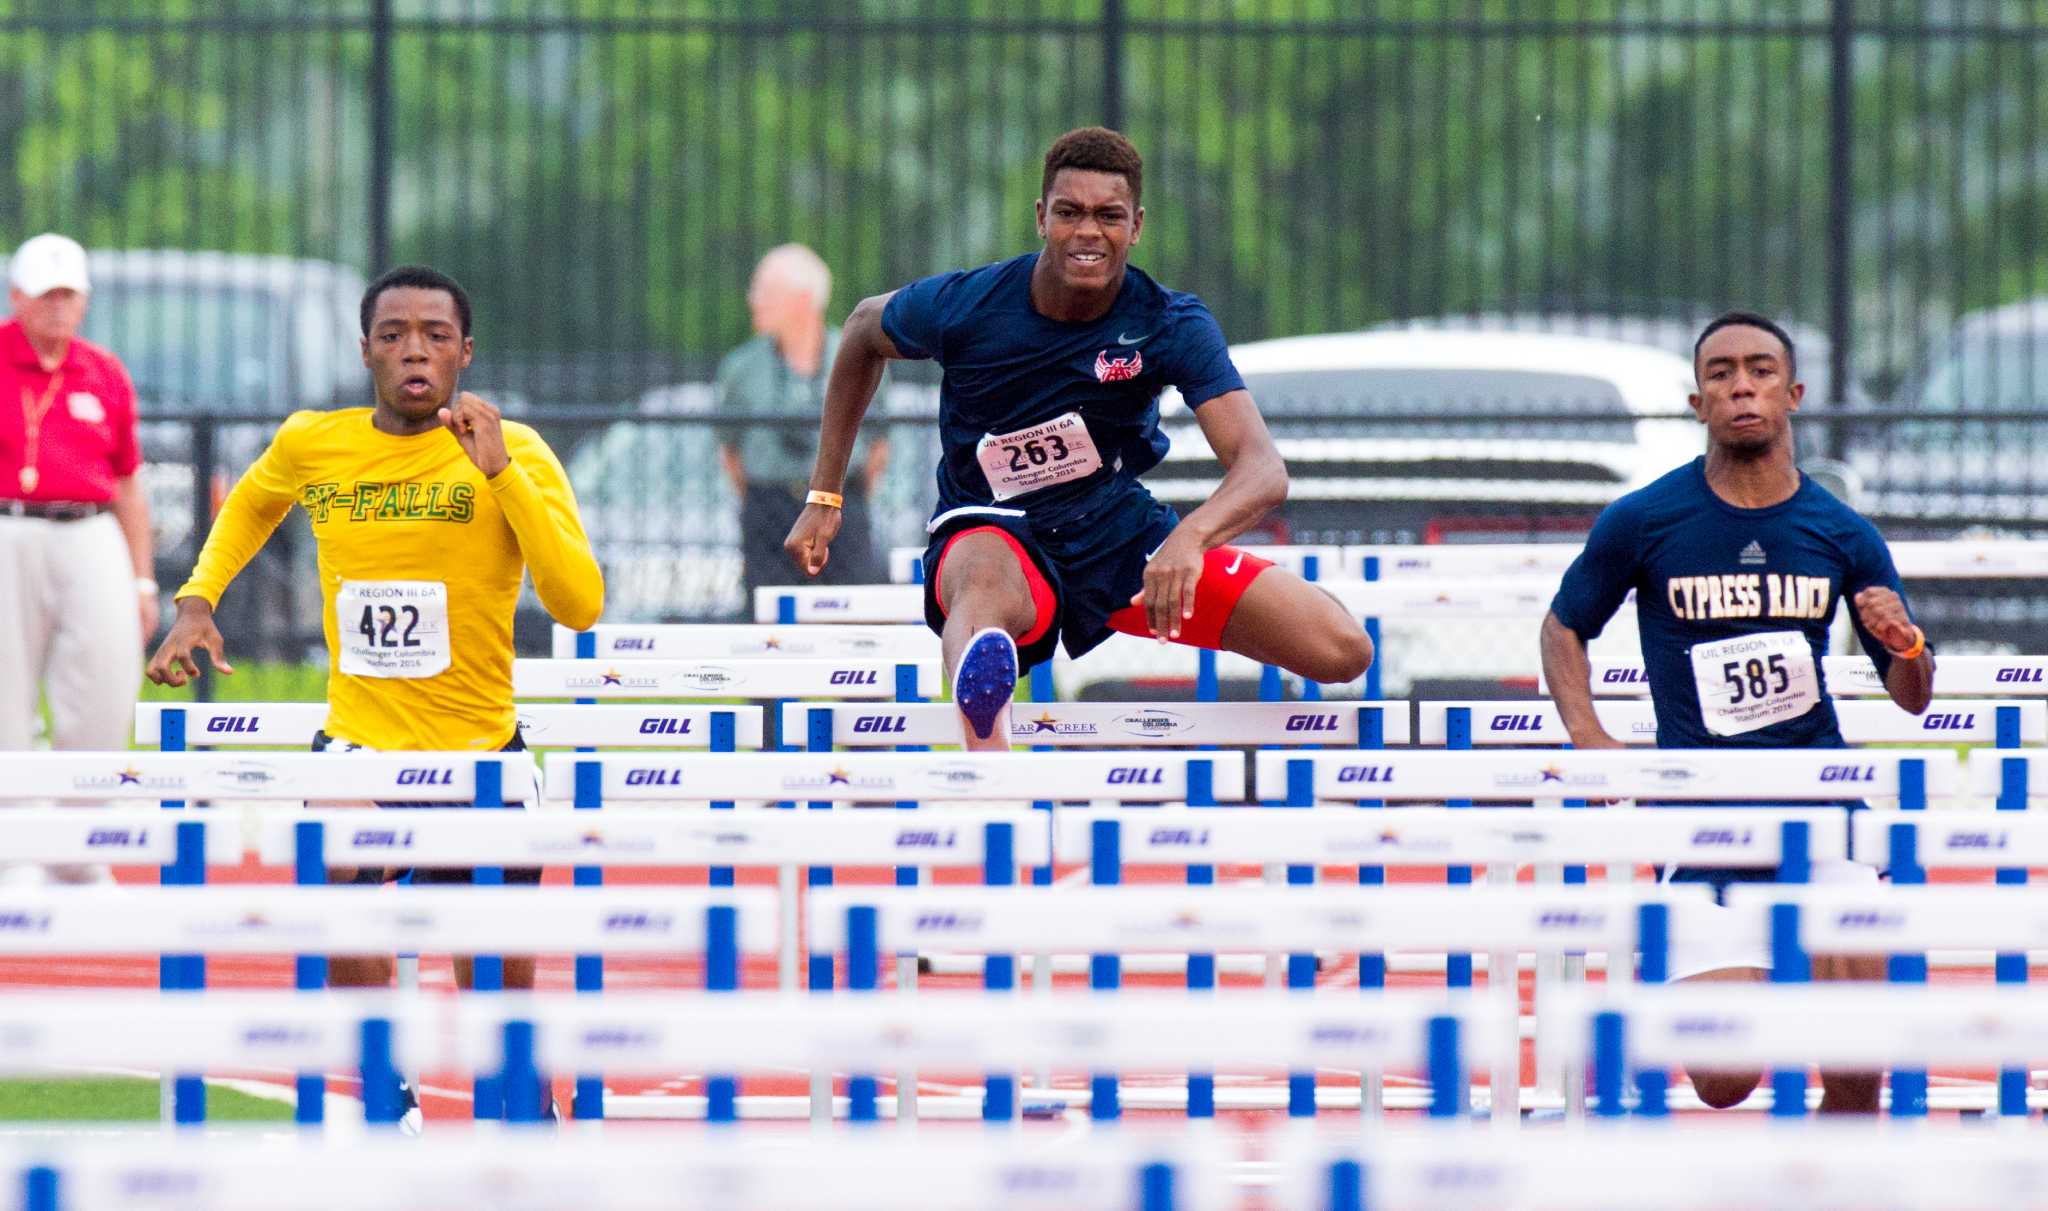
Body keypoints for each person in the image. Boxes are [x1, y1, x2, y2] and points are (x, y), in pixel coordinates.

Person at [147, 265, 604, 1126]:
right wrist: (198, 599)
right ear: (366, 353)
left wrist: (502, 474)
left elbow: (580, 601)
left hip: (479, 751)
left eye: (435, 333)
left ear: (466, 352)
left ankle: (520, 1101)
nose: (414, 349)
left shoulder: (519, 451)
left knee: (496, 996)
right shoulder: (313, 443)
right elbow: (251, 503)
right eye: (393, 334)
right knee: (334, 880)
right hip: (363, 740)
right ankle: (383, 1093)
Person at [783, 127, 1372, 748]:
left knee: (1340, 648)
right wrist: (826, 496)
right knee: (984, 590)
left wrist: (1190, 538)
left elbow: (1261, 469)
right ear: (1042, 218)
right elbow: (860, 332)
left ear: (1136, 225)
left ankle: (994, 690)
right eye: (1069, 213)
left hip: (1113, 535)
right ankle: (991, 768)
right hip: (991, 526)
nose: (1088, 232)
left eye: (1108, 216)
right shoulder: (968, 307)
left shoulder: (1168, 324)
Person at [1541, 310, 1935, 1115]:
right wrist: (1589, 734)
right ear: (1697, 402)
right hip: (1702, 821)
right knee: (1724, 1081)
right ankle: (1757, 990)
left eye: (1759, 370)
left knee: (1858, 1074)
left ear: (1791, 394)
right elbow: (1563, 626)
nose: (1741, 385)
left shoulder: (1839, 530)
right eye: (1721, 373)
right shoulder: (1645, 520)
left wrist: (1907, 646)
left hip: (1825, 818)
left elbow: (1913, 694)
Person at [0, 233, 156, 886]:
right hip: (8, 525)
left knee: (104, 681)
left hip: (90, 528)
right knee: (5, 688)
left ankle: (78, 840)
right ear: (18, 298)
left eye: (69, 295)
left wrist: (144, 579)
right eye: (46, 295)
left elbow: (127, 481)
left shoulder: (104, 371)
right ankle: (12, 842)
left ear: (85, 301)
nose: (59, 308)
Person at [717, 244, 888, 604]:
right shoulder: (742, 368)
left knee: (853, 616)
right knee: (768, 621)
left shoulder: (856, 355)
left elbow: (877, 445)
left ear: (803, 299)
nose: (754, 301)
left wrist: (836, 495)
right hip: (768, 509)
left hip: (842, 509)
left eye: (765, 292)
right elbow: (730, 450)